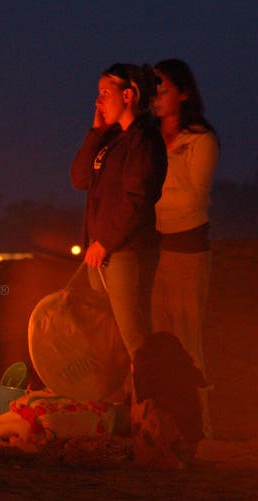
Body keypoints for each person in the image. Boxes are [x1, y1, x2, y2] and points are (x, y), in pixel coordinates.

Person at [70, 63, 167, 390]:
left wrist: (105, 242)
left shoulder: (144, 140)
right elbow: (79, 178)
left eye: (104, 94)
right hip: (103, 253)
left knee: (133, 334)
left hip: (126, 251)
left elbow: (137, 200)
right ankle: (128, 407)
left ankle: (157, 413)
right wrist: (96, 131)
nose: (98, 101)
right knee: (112, 336)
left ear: (128, 95)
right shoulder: (111, 139)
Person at [150, 58, 218, 438]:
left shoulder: (201, 140)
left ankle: (201, 426)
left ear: (184, 93)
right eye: (154, 90)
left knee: (187, 339)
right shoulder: (149, 139)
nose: (157, 97)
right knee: (156, 340)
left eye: (164, 89)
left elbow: (194, 200)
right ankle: (160, 423)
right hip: (154, 251)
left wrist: (153, 202)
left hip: (188, 250)